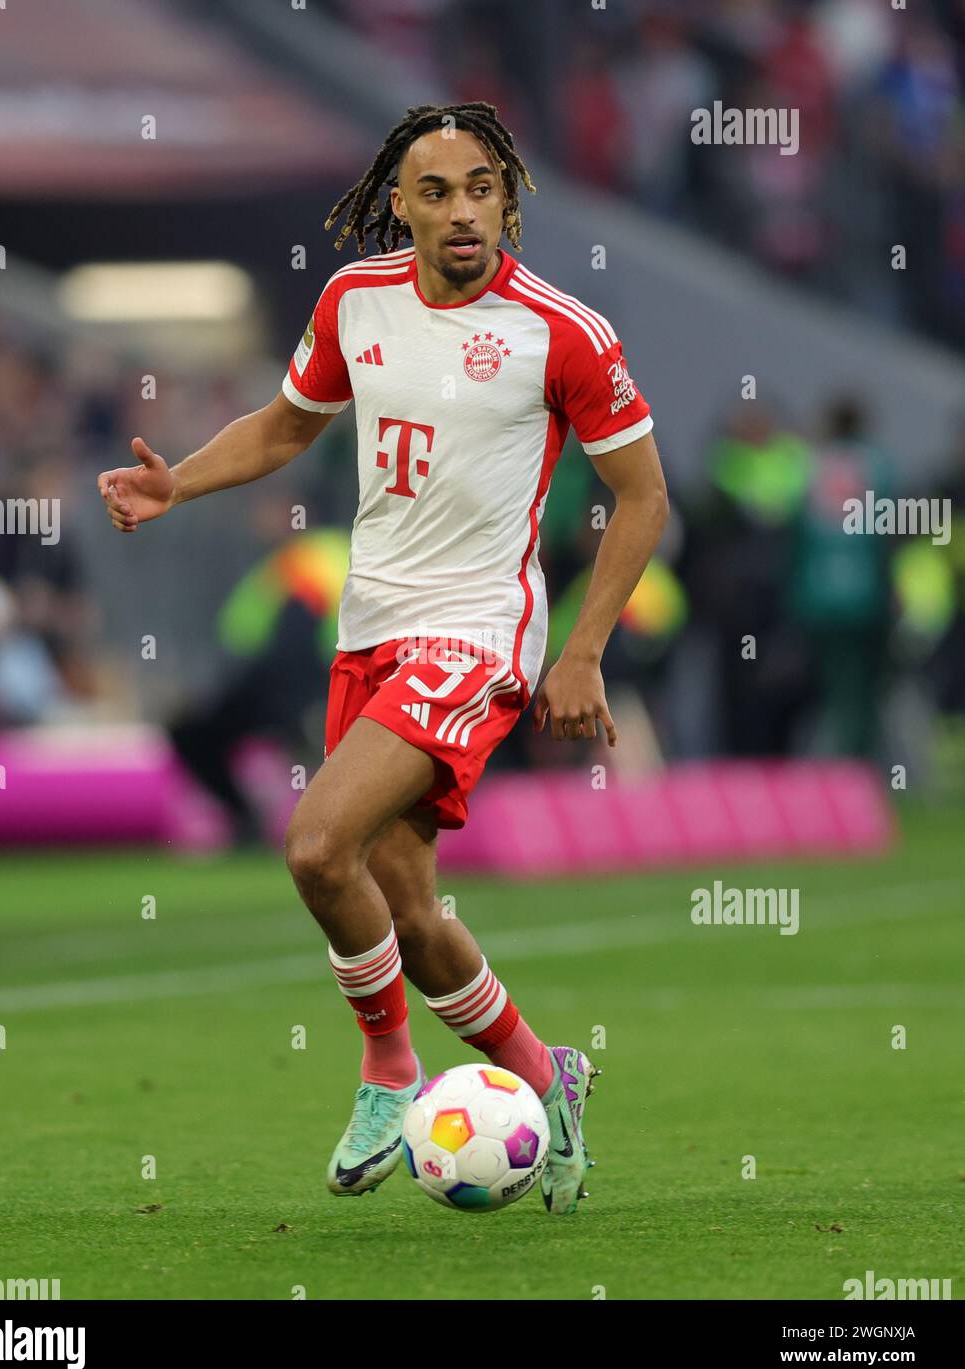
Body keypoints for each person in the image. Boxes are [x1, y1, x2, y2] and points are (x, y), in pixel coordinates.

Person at [97, 102, 668, 1215]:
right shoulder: (352, 301)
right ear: (396, 203)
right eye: (436, 190)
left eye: (481, 188)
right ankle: (552, 1078)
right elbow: (282, 424)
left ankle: (386, 1066)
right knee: (406, 911)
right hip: (369, 628)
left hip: (475, 634)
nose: (462, 211)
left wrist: (584, 650)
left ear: (509, 198)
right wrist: (179, 483)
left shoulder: (565, 332)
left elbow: (641, 494)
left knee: (316, 845)